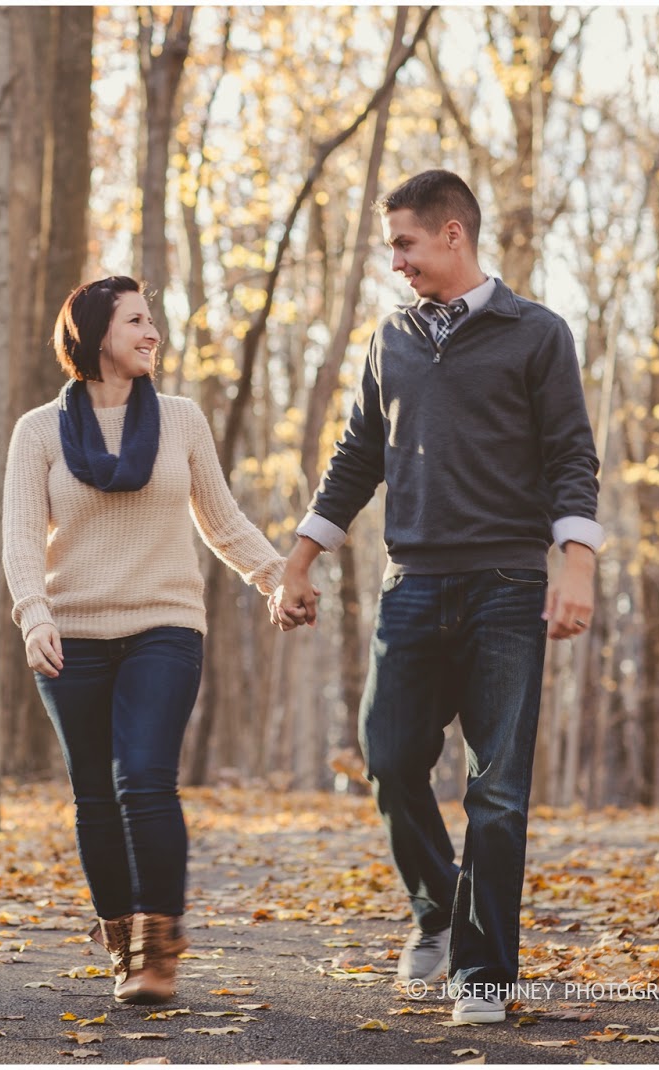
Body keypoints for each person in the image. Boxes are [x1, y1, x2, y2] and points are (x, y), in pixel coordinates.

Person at [270, 170, 602, 1025]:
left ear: (454, 235)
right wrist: (300, 560)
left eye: (405, 244)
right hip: (411, 584)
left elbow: (572, 455)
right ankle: (437, 910)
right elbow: (356, 457)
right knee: (386, 758)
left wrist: (577, 565)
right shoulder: (394, 338)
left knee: (497, 788)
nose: (396, 263)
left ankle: (483, 974)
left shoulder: (537, 334)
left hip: (507, 587)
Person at [2, 275, 289, 1005]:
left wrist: (277, 577)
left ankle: (159, 947)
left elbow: (220, 519)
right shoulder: (38, 430)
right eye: (136, 320)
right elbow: (19, 538)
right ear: (97, 335)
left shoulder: (182, 420)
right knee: (94, 796)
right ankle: (123, 941)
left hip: (165, 625)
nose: (152, 331)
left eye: (151, 319)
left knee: (144, 780)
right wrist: (34, 614)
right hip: (74, 636)